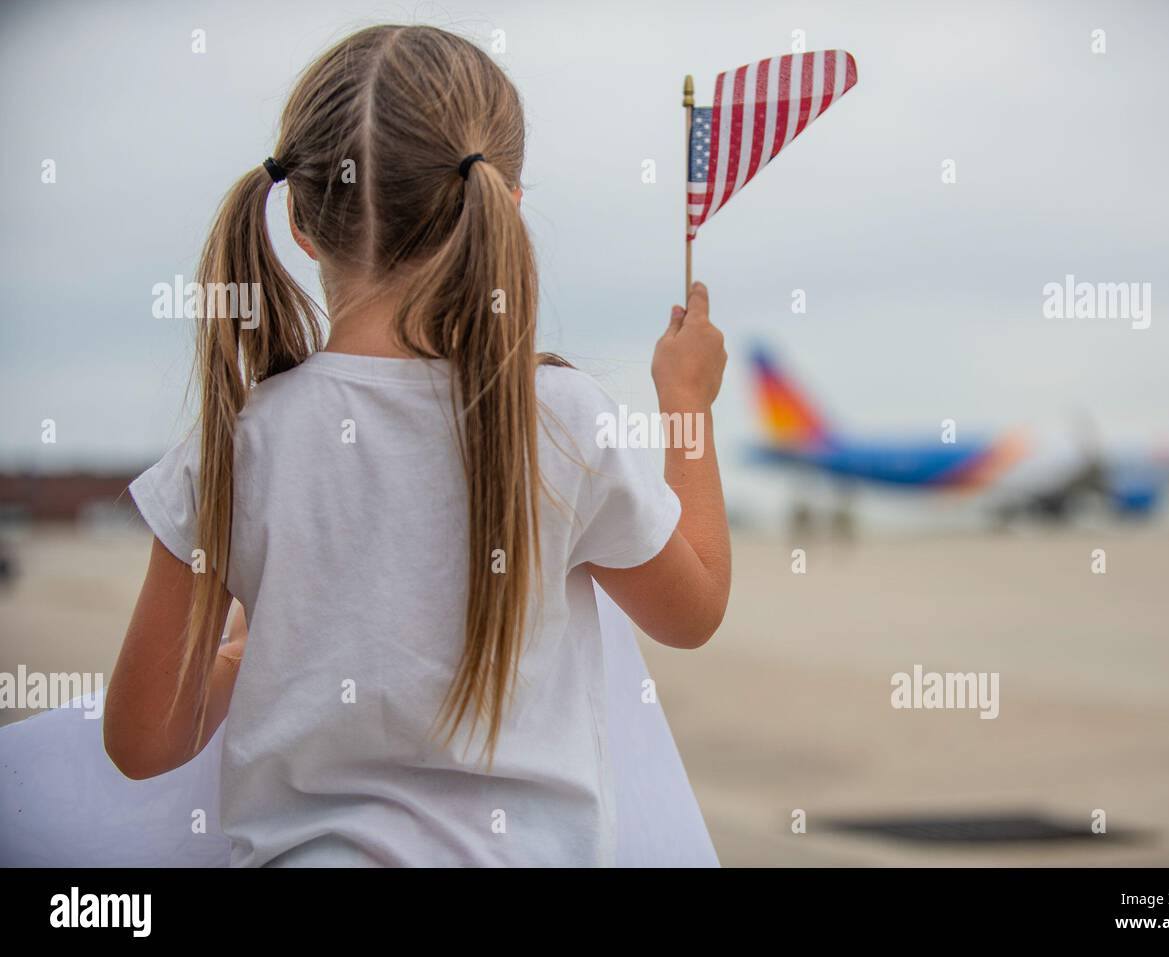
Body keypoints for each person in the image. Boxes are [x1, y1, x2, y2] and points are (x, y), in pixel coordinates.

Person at [101, 24, 729, 867]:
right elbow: (693, 612)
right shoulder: (563, 418)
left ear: (298, 217)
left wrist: (248, 649)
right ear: (503, 204)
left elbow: (143, 739)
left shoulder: (235, 444)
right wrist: (687, 403)